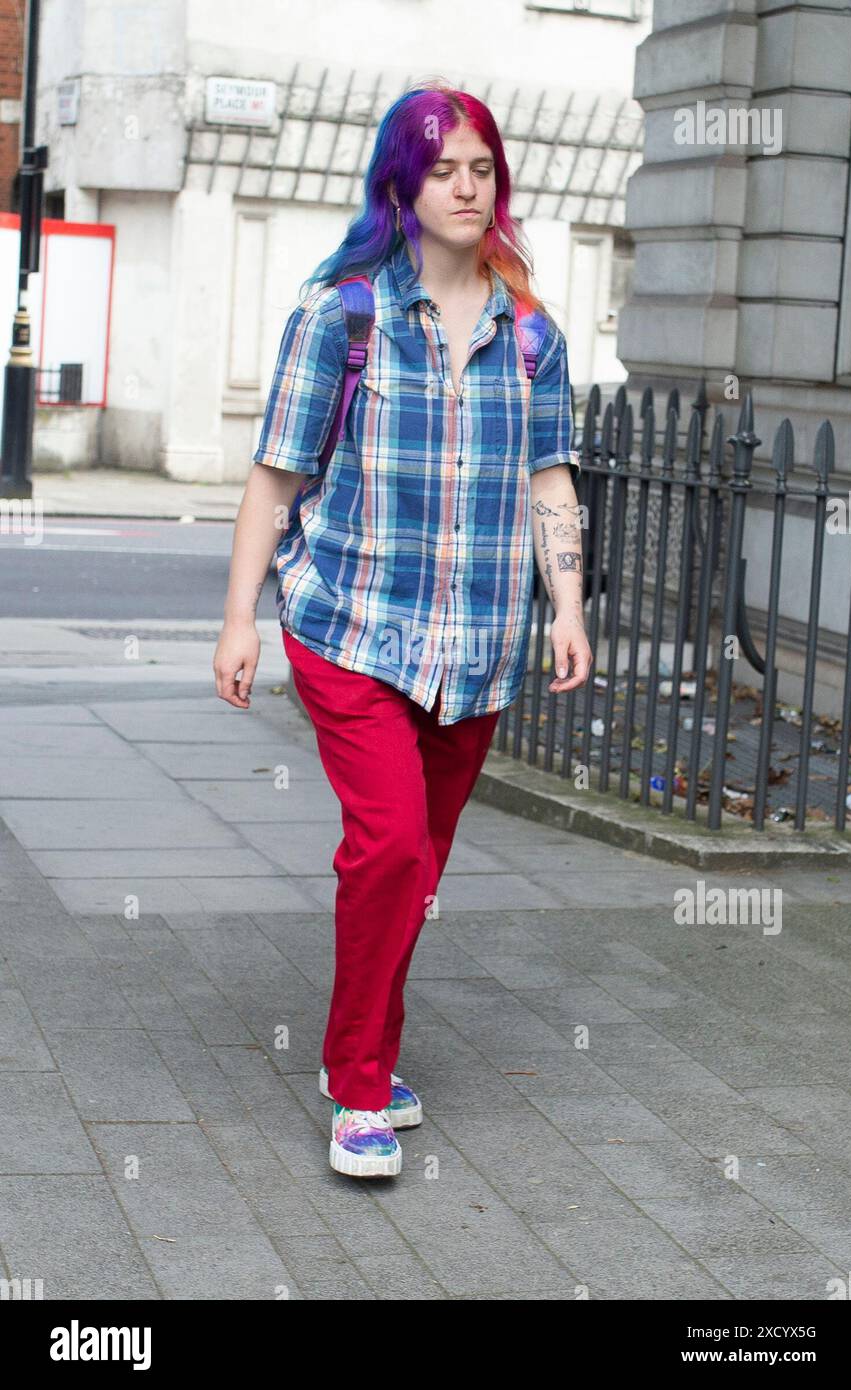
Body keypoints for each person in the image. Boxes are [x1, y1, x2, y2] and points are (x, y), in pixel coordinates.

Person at [213, 79, 592, 1179]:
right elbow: (275, 477)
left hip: (473, 646)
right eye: (443, 168)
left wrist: (565, 604)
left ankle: (356, 1053)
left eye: (481, 168)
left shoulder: (529, 335)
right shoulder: (344, 315)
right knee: (384, 843)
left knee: (416, 864)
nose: (466, 186)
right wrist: (240, 619)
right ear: (402, 183)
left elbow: (549, 476)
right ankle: (361, 1090)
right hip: (350, 627)